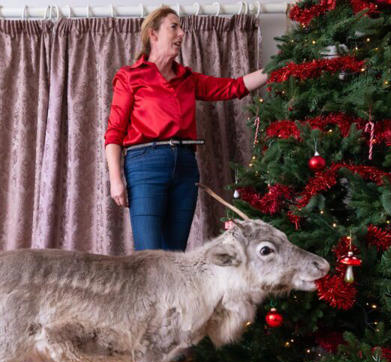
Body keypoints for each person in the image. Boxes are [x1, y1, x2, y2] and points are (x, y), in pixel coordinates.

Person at [104, 6, 268, 252]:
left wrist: (276, 68)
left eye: (181, 28)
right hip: (145, 165)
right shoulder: (130, 77)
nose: (182, 33)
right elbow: (114, 132)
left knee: (175, 255)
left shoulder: (187, 79)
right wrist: (116, 180)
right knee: (149, 255)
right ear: (153, 34)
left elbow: (233, 87)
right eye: (174, 27)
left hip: (185, 166)